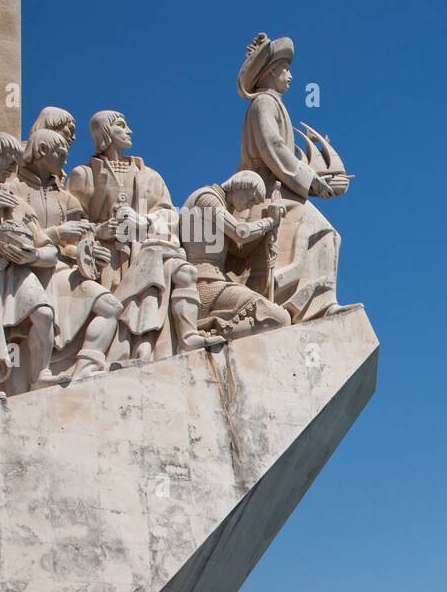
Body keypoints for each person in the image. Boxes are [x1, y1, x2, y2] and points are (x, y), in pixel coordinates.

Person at [68, 111, 222, 361]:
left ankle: (186, 337)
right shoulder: (83, 175)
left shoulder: (150, 176)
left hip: (148, 246)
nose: (129, 130)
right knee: (143, 287)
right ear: (105, 132)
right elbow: (72, 223)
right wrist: (100, 231)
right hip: (109, 258)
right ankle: (134, 351)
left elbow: (169, 216)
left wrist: (141, 221)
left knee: (184, 272)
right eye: (121, 125)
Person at [237, 33, 357, 323]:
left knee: (326, 233)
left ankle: (315, 303)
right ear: (270, 73)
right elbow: (273, 148)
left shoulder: (274, 104)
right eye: (284, 69)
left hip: (283, 189)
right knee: (322, 231)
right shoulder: (263, 103)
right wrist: (312, 181)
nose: (290, 76)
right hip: (266, 192)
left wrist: (315, 177)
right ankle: (313, 306)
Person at [10, 128, 123, 381]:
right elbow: (17, 234)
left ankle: (85, 370)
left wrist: (95, 239)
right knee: (43, 316)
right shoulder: (14, 189)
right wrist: (58, 233)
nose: (65, 159)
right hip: (28, 269)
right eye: (60, 153)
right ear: (41, 152)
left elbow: (82, 233)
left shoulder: (65, 198)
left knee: (110, 306)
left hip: (61, 270)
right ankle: (41, 375)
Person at [0, 132, 63, 404]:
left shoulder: (11, 195)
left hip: (15, 268)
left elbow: (44, 242)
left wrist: (33, 254)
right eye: (8, 161)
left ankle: (40, 373)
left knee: (43, 313)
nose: (12, 169)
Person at [178, 170, 290, 340]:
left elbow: (239, 250)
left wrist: (268, 233)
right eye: (251, 198)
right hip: (205, 282)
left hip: (216, 280)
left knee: (278, 318)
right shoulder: (208, 198)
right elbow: (240, 232)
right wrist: (270, 221)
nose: (250, 205)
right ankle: (213, 333)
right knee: (277, 317)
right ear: (240, 185)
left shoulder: (221, 205)